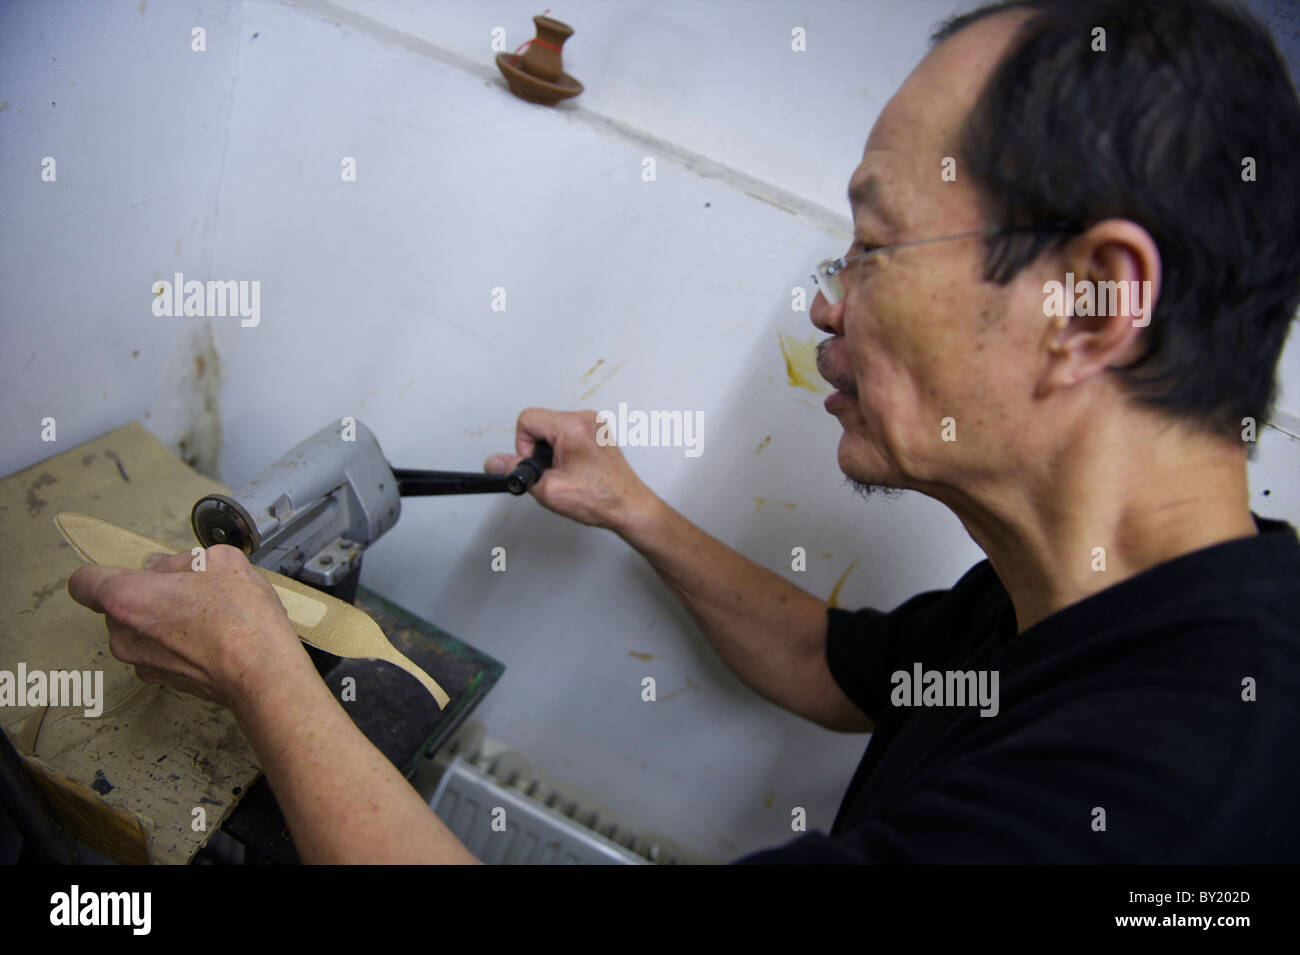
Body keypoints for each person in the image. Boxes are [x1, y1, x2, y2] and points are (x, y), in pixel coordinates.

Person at [68, 0, 1300, 864]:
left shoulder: (1178, 800)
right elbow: (834, 668)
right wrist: (632, 508)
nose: (828, 297)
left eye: (871, 246)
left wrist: (259, 672)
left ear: (1090, 304)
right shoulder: (1101, 598)